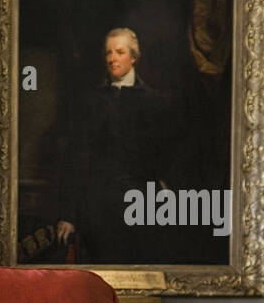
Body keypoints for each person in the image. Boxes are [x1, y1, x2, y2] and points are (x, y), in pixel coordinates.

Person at [53, 27, 175, 264]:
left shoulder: (155, 103)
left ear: (134, 57)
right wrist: (68, 215)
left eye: (119, 52)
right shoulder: (89, 102)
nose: (112, 58)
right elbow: (74, 159)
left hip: (141, 206)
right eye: (109, 53)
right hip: (97, 207)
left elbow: (167, 157)